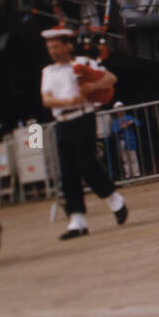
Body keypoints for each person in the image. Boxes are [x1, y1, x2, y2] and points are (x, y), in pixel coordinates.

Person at [39, 28, 129, 238]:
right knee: (67, 171)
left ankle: (113, 199)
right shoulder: (48, 72)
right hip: (62, 120)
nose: (52, 51)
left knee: (87, 164)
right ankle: (77, 220)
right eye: (49, 48)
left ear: (66, 45)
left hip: (83, 118)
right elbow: (47, 99)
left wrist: (93, 87)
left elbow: (110, 78)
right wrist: (67, 101)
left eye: (56, 46)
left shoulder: (83, 62)